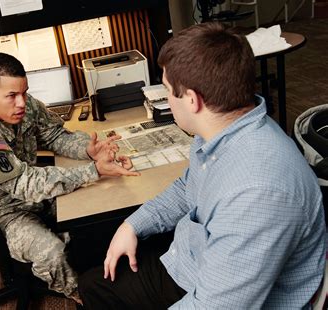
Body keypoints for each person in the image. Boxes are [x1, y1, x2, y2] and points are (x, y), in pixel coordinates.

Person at [78, 22, 326, 309]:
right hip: (197, 260)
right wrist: (132, 225)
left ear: (193, 100)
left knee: (98, 283)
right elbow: (189, 186)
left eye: (168, 90)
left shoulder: (259, 192)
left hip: (214, 291)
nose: (167, 99)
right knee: (94, 276)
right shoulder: (225, 127)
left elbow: (217, 306)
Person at [0, 53, 139, 304]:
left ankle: (112, 272)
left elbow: (54, 135)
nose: (22, 103)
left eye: (24, 92)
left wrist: (88, 150)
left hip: (30, 199)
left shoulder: (24, 104)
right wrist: (93, 170)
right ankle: (83, 296)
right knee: (52, 252)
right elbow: (26, 184)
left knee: (94, 210)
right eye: (12, 96)